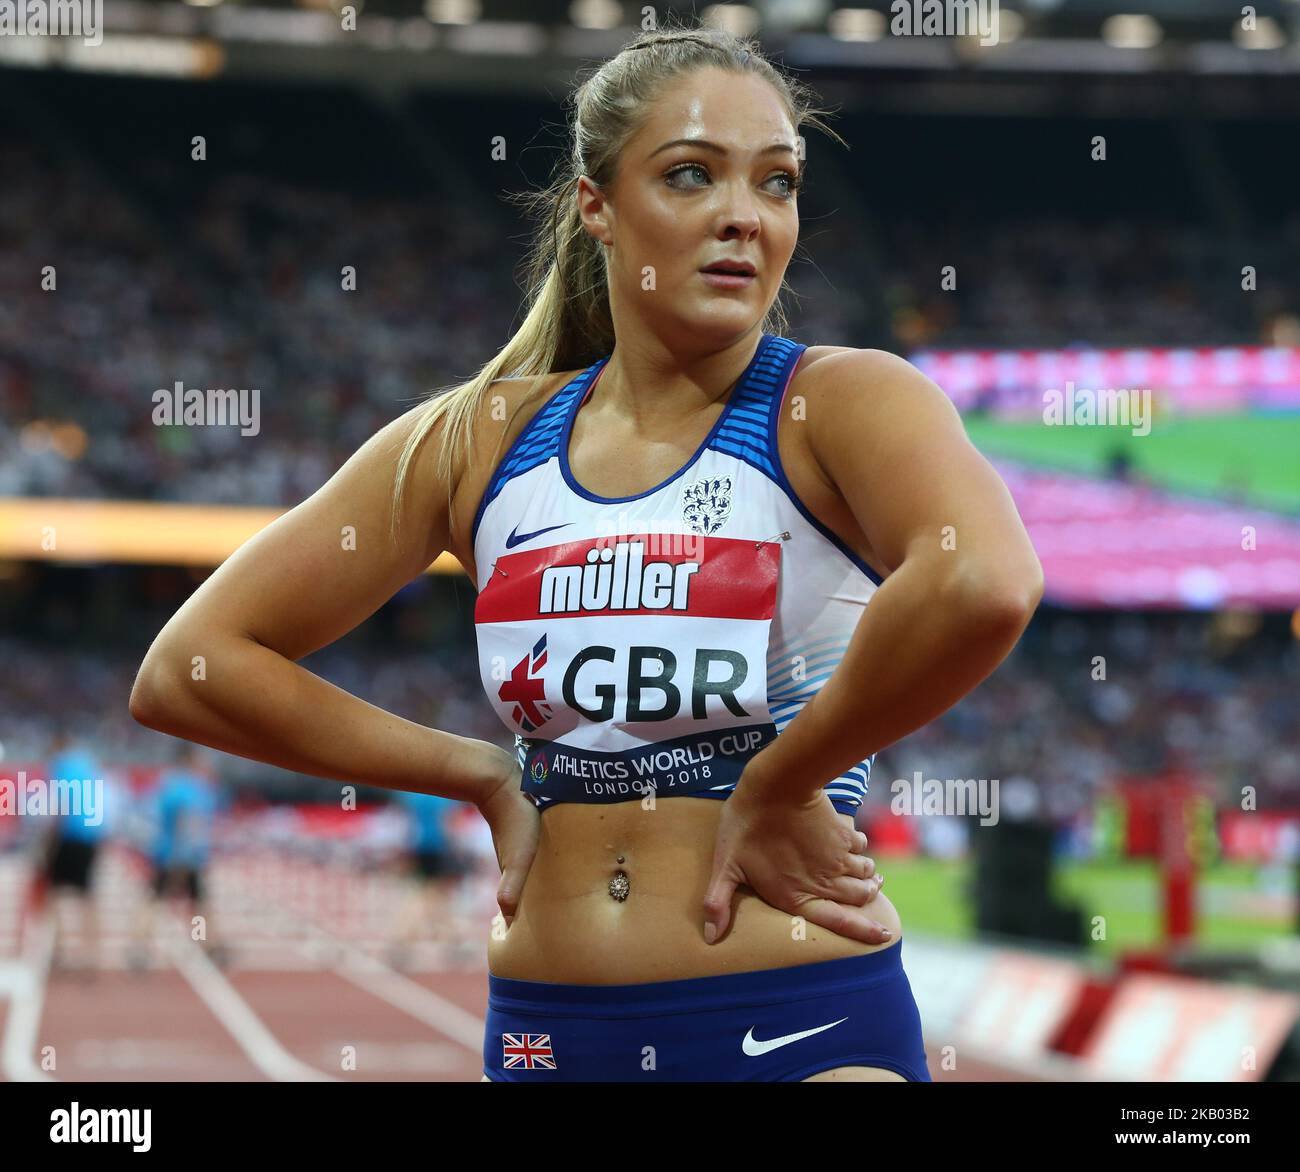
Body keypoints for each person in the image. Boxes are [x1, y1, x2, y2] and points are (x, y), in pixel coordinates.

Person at [129, 21, 1042, 1081]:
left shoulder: (837, 401)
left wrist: (785, 781)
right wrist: (472, 769)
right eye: (691, 175)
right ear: (595, 205)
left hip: (799, 1019)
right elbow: (188, 667)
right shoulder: (476, 439)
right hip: (546, 1035)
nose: (743, 217)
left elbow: (982, 578)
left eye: (778, 182)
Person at [130, 743, 225, 969]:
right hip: (182, 854)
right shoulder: (190, 787)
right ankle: (202, 943)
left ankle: (141, 946)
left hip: (168, 852)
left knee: (163, 901)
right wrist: (185, 854)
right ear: (189, 760)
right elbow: (187, 822)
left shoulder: (167, 785)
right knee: (191, 903)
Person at [39, 727, 111, 975]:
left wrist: (48, 843)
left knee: (54, 894)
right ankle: (91, 954)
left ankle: (61, 952)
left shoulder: (59, 764)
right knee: (87, 895)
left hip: (69, 835)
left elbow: (60, 806)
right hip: (91, 835)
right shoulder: (88, 763)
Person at [388, 788, 465, 968]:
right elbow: (450, 823)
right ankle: (404, 939)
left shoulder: (412, 795)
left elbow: (405, 824)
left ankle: (451, 939)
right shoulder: (444, 795)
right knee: (430, 895)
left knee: (432, 894)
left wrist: (405, 852)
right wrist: (456, 849)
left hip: (419, 848)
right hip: (438, 849)